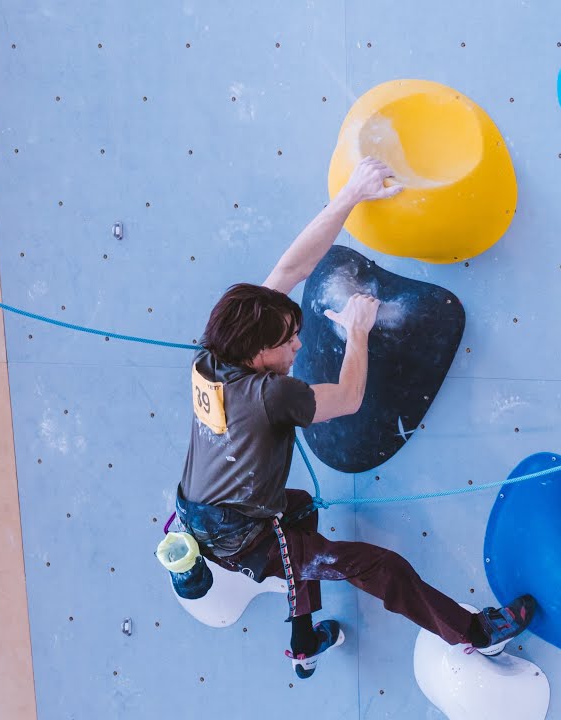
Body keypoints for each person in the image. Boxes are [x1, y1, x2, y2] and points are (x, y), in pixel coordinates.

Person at [176, 156, 535, 679]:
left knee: (298, 509)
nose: (299, 345)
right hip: (241, 538)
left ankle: (304, 639)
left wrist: (351, 194)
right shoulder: (272, 396)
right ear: (259, 354)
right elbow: (347, 399)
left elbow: (291, 270)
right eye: (289, 341)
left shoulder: (212, 359)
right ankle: (476, 634)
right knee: (379, 566)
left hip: (204, 510)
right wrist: (358, 330)